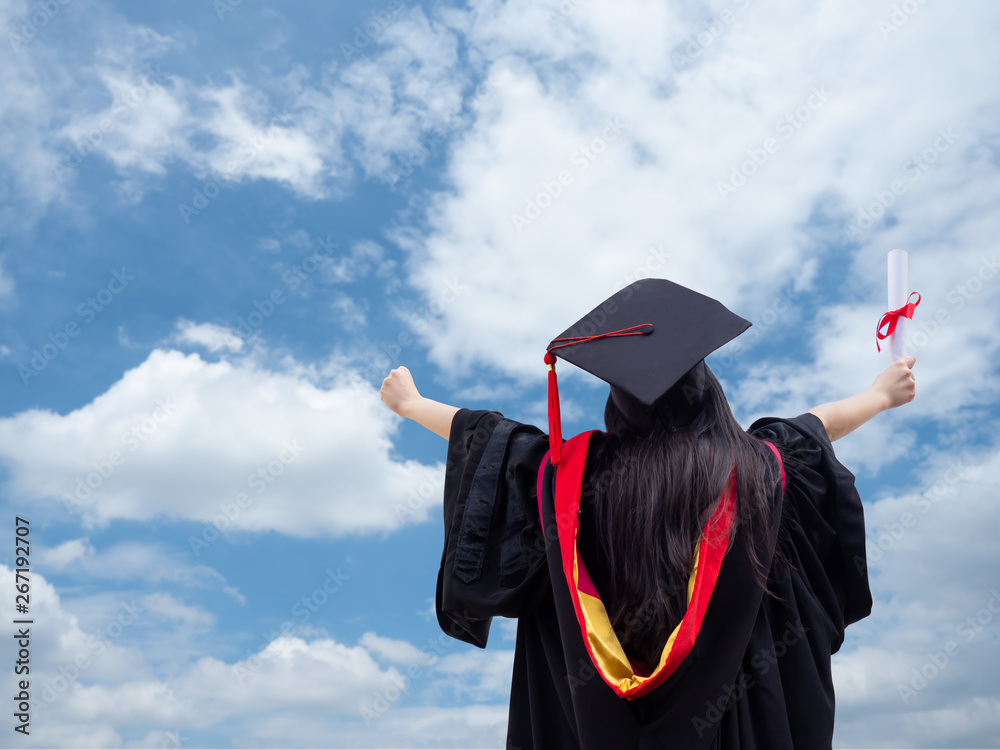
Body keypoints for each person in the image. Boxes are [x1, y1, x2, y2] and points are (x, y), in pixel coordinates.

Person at [379, 278, 916, 749]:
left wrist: (411, 405)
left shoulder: (569, 481)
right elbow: (816, 426)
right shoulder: (761, 471)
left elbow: (496, 443)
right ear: (711, 398)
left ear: (618, 405)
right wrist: (879, 396)